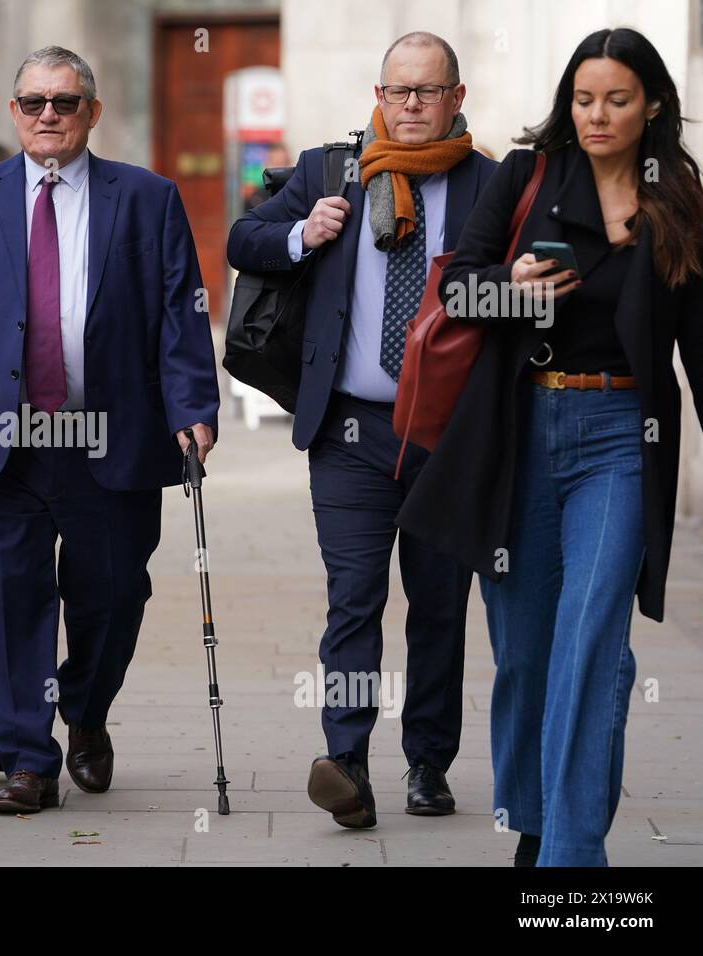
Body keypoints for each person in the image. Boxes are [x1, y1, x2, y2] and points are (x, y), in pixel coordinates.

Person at [399, 27, 703, 866]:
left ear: (652, 106)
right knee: (528, 651)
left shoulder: (676, 193)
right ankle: (533, 824)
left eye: (617, 99)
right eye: (583, 98)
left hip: (621, 437)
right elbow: (459, 284)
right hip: (522, 434)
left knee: (592, 638)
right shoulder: (527, 174)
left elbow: (698, 339)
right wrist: (512, 286)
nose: (597, 115)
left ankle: (571, 861)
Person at [0, 45, 220, 813]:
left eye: (64, 102)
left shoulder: (146, 198)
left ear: (92, 112)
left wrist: (193, 410)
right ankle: (26, 758)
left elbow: (181, 311)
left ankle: (83, 709)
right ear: (13, 112)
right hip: (6, 438)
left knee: (114, 594)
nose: (48, 115)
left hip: (108, 434)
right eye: (33, 103)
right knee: (14, 596)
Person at [226, 32, 496, 828]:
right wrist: (299, 233)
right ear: (377, 99)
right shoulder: (329, 170)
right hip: (350, 432)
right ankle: (345, 760)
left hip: (448, 436)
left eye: (426, 92)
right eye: (395, 92)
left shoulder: (490, 183)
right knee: (354, 598)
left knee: (440, 605)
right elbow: (244, 238)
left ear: (456, 98)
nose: (409, 106)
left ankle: (427, 764)